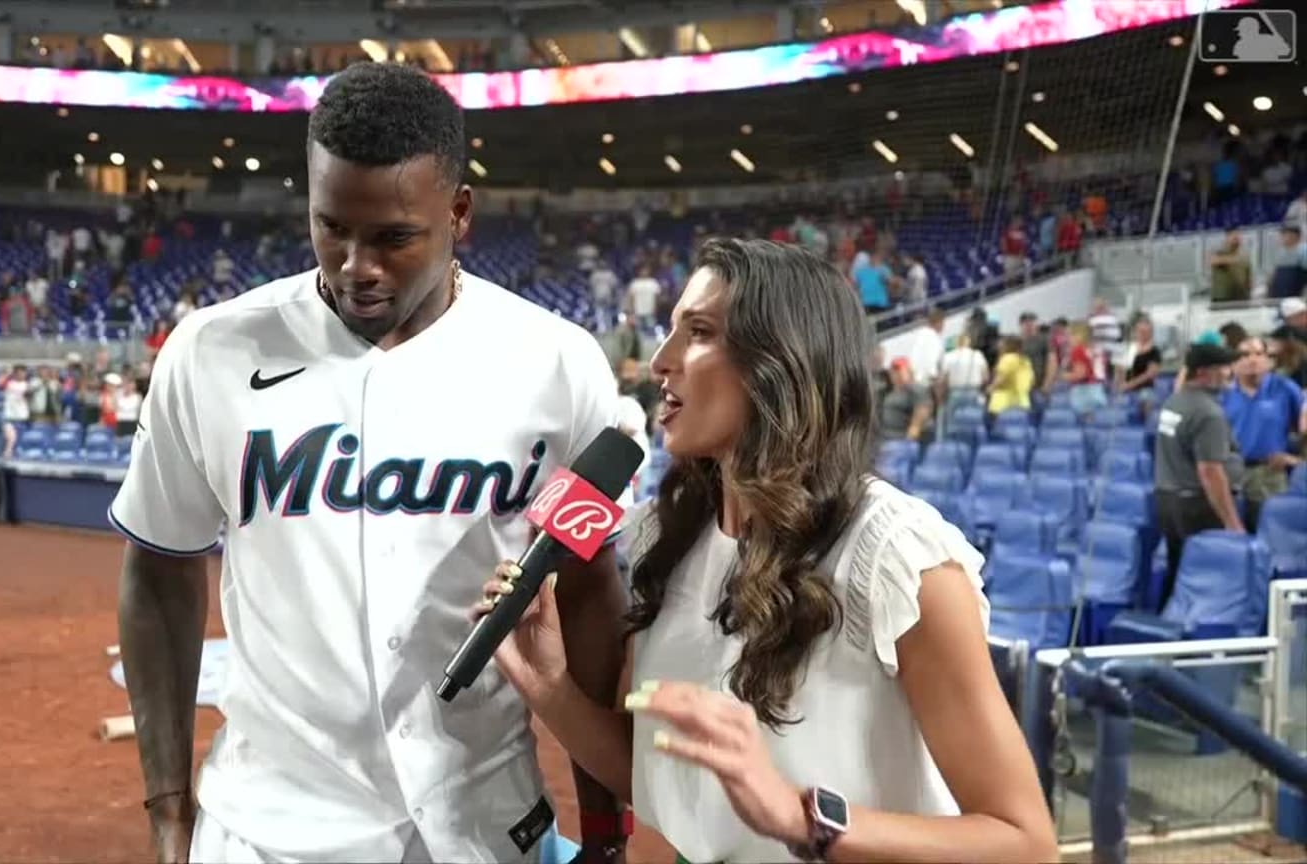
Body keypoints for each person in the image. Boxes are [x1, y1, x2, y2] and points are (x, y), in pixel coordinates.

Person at [108, 61, 630, 864]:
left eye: (393, 237)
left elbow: (593, 588)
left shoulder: (559, 365)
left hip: (484, 821)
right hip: (271, 829)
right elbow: (159, 569)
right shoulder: (209, 353)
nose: (356, 266)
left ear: (459, 214)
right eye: (331, 228)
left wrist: (602, 829)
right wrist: (168, 808)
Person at [473, 239, 1056, 863]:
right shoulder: (660, 542)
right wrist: (551, 689)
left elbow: (1023, 842)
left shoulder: (896, 556)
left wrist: (799, 816)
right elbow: (660, 780)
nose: (661, 361)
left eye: (698, 332)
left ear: (780, 364)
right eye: (670, 331)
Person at [1153, 343, 1245, 608]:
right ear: (1204, 373)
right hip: (1197, 507)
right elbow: (1210, 471)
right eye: (1224, 368)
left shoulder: (1175, 401)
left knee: (1177, 572)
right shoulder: (1208, 413)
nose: (1230, 373)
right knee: (1203, 582)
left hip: (1168, 499)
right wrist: (1231, 521)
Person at [1221, 336, 1305, 531]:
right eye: (1244, 355)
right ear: (1233, 363)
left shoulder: (1285, 388)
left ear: (1268, 361)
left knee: (1274, 534)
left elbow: (1302, 427)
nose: (1252, 360)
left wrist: (1296, 459)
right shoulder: (1222, 393)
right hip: (1233, 474)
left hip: (1270, 475)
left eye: (1259, 354)